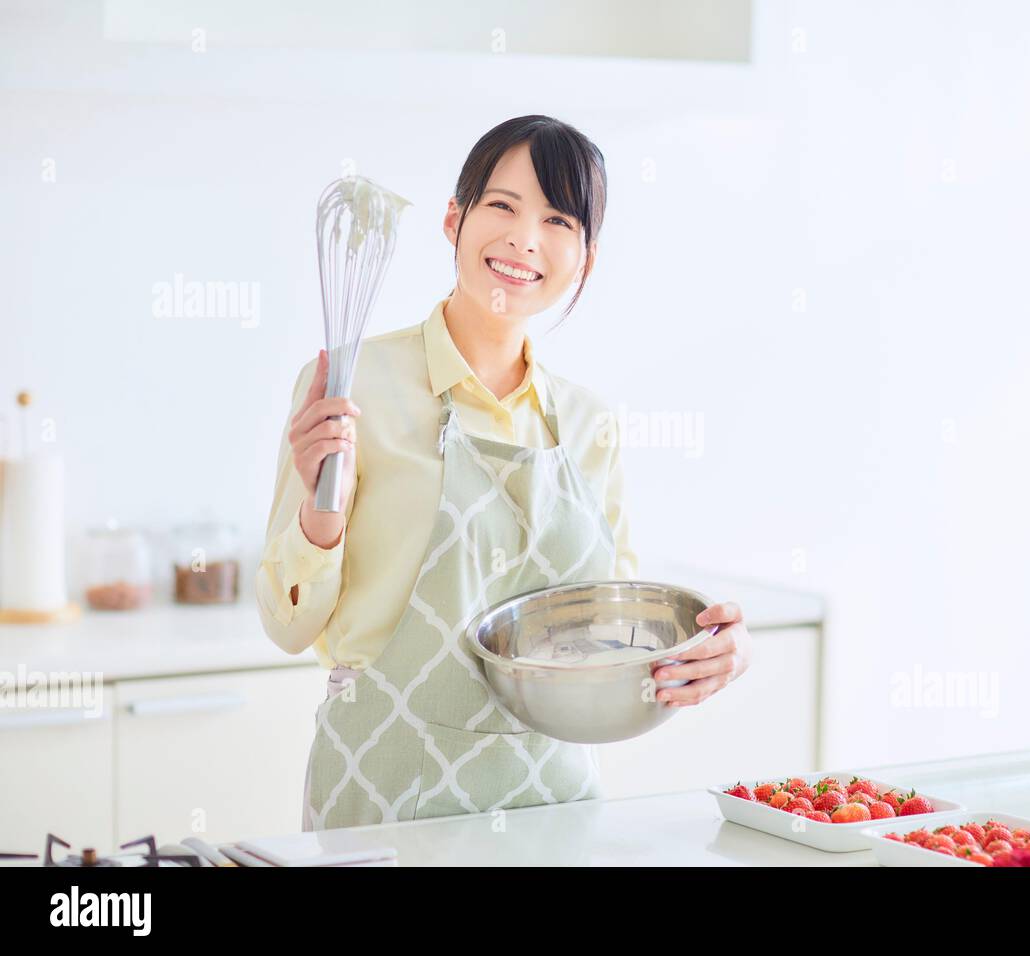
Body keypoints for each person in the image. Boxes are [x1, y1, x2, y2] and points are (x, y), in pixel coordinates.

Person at [257, 115, 752, 830]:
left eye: (558, 219)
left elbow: (614, 643)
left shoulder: (587, 423)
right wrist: (320, 511)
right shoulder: (351, 383)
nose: (525, 238)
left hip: (553, 797)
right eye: (502, 206)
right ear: (454, 220)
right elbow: (287, 624)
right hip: (387, 785)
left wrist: (711, 653)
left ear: (583, 257)